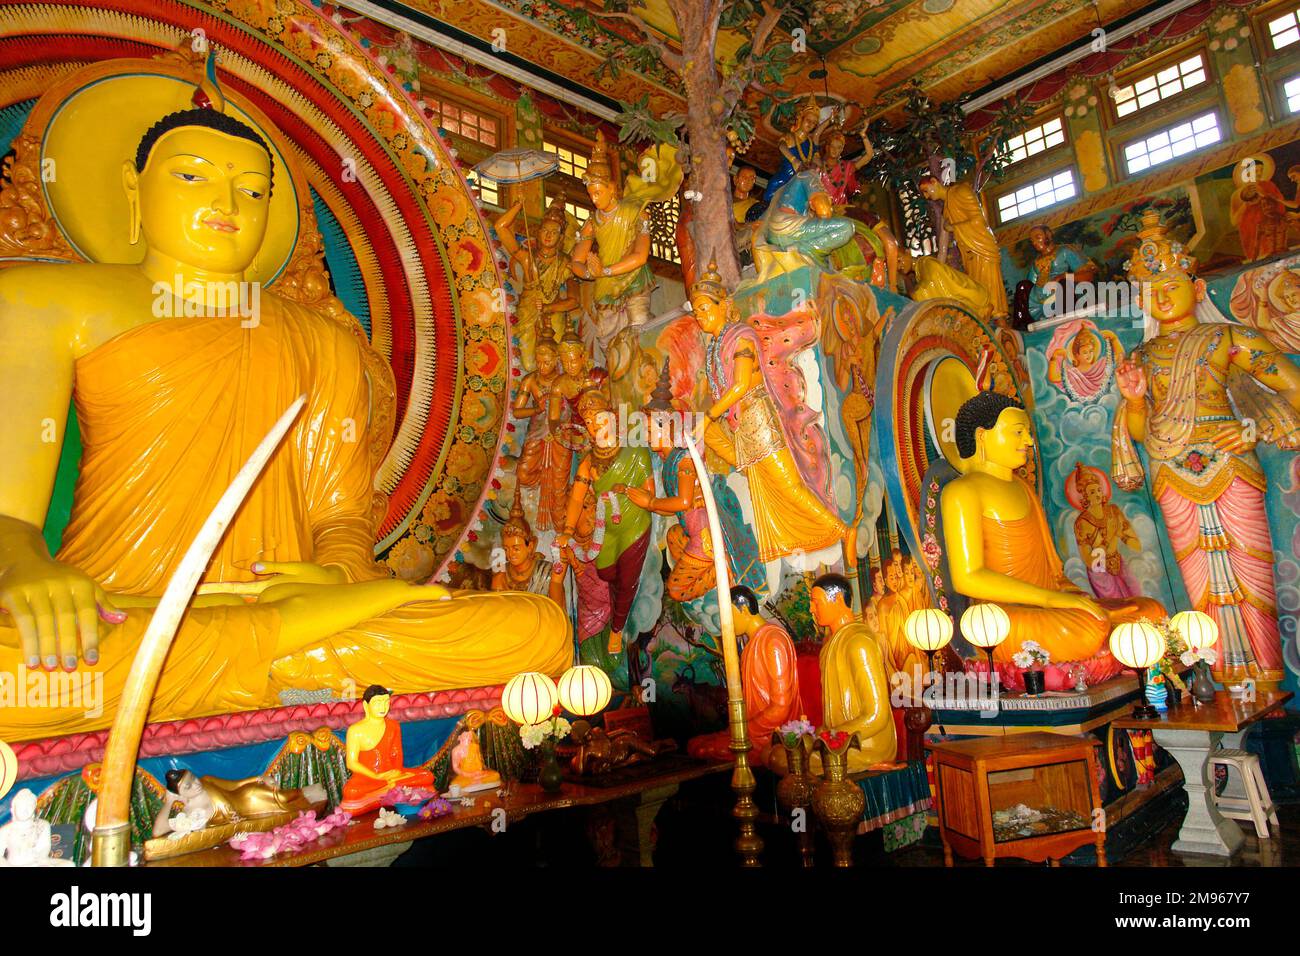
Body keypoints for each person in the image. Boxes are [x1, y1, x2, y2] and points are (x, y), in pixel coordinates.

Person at [0, 99, 569, 742]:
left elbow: (342, 517)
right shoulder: (41, 302)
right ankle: (284, 663)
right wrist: (27, 569)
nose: (227, 202)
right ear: (134, 189)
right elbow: (8, 521)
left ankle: (258, 663)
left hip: (288, 605)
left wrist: (340, 576)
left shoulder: (322, 341)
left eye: (251, 189)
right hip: (123, 608)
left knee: (534, 627)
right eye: (192, 177)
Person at [1113, 211, 1300, 686]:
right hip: (1171, 470)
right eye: (1151, 289)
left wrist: (1252, 427)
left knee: (1251, 568)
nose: (1162, 293)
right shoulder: (1142, 357)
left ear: (1196, 287)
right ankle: (1220, 678)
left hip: (1230, 462)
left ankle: (1268, 678)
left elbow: (1293, 386)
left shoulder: (1228, 338)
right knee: (1199, 581)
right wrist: (1134, 400)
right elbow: (1139, 429)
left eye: (1171, 282)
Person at [942, 391, 1165, 684]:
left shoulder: (1023, 489)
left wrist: (1070, 597)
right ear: (982, 437)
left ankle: (1105, 624)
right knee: (1089, 628)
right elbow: (968, 578)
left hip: (1049, 606)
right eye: (1018, 432)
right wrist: (1050, 601)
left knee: (1150, 610)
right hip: (1004, 618)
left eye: (1028, 433)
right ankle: (1102, 631)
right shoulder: (963, 491)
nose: (1029, 442)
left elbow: (1052, 572)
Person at [692, 261, 848, 563]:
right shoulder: (715, 346)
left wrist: (710, 417)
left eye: (704, 307)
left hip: (758, 417)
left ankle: (841, 530)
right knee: (715, 442)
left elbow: (738, 386)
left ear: (723, 305)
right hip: (739, 423)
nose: (700, 316)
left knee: (789, 485)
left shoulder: (740, 336)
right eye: (696, 311)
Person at [555, 388, 654, 656]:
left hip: (634, 524)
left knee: (627, 577)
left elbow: (650, 493)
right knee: (606, 572)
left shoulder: (635, 452)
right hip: (606, 528)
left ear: (612, 417)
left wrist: (641, 499)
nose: (595, 426)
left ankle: (617, 629)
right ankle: (615, 608)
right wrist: (567, 530)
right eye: (589, 422)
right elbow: (576, 499)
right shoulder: (588, 463)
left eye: (600, 418)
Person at [687, 586, 803, 765]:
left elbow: (781, 707)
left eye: (729, 615)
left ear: (743, 608)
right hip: (754, 729)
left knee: (703, 749)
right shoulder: (751, 646)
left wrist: (744, 730)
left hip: (773, 734)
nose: (726, 622)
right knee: (696, 744)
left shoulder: (773, 641)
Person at [812, 573, 897, 773]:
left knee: (795, 760)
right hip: (839, 740)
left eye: (816, 602)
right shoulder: (828, 647)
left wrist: (831, 736)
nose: (811, 609)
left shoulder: (859, 642)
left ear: (839, 599)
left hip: (866, 744)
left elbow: (877, 715)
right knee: (780, 753)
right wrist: (822, 734)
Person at [494, 199, 577, 371]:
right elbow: (500, 227)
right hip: (527, 312)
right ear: (538, 232)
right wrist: (518, 204)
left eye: (554, 232)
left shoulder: (565, 263)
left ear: (561, 237)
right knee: (530, 364)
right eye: (545, 230)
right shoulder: (527, 258)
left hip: (552, 314)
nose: (548, 235)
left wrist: (549, 307)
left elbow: (574, 301)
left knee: (555, 363)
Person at [918, 174, 1009, 320]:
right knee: (978, 294)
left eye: (926, 190)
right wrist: (937, 270)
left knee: (991, 296)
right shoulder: (946, 210)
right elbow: (943, 246)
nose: (926, 196)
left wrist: (953, 227)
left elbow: (979, 221)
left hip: (982, 247)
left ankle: (1001, 324)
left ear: (934, 182)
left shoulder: (961, 191)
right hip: (968, 253)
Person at [340, 685, 434, 814]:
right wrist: (376, 776)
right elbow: (352, 763)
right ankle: (392, 793)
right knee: (351, 792)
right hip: (368, 777)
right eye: (378, 703)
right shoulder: (355, 731)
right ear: (366, 706)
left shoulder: (393, 725)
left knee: (426, 776)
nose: (383, 707)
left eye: (386, 702)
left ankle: (386, 793)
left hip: (391, 775)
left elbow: (396, 752)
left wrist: (396, 771)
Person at [513, 333, 568, 531]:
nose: (541, 366)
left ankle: (560, 525)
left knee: (559, 480)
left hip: (560, 434)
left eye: (546, 362)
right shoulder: (530, 381)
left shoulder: (564, 380)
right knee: (523, 473)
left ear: (556, 360)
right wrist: (536, 409)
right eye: (538, 362)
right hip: (536, 432)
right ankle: (543, 486)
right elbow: (517, 411)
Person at [490, 496, 566, 605]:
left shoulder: (546, 574)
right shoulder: (501, 576)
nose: (510, 554)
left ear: (530, 546)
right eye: (506, 549)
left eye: (516, 548)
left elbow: (557, 612)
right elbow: (497, 613)